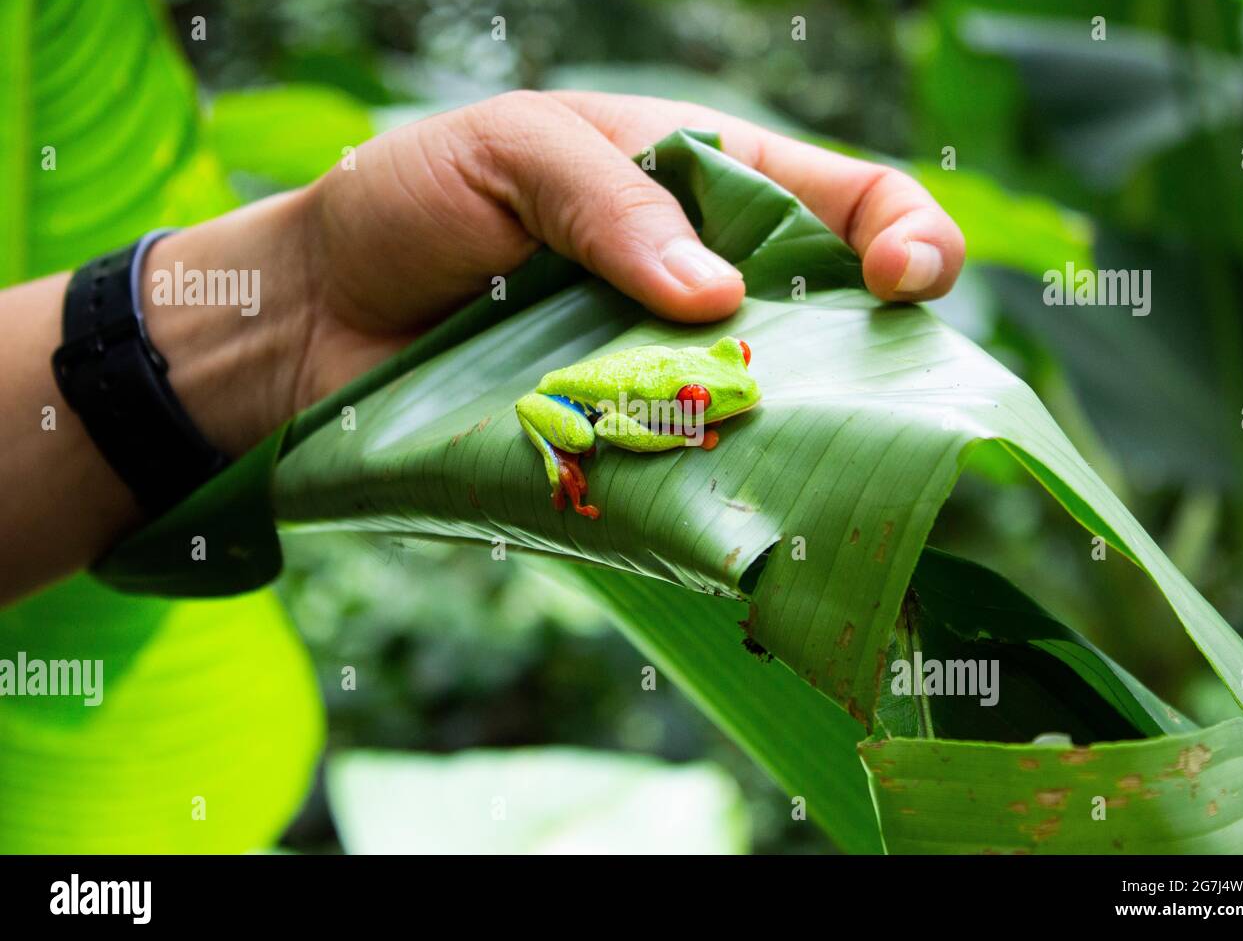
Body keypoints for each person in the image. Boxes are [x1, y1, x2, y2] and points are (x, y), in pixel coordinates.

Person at [0, 91, 964, 606]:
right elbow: (610, 417)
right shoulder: (661, 406)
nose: (722, 396)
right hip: (580, 401)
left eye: (725, 384)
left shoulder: (704, 380)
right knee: (570, 433)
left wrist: (307, 289)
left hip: (612, 373)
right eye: (711, 400)